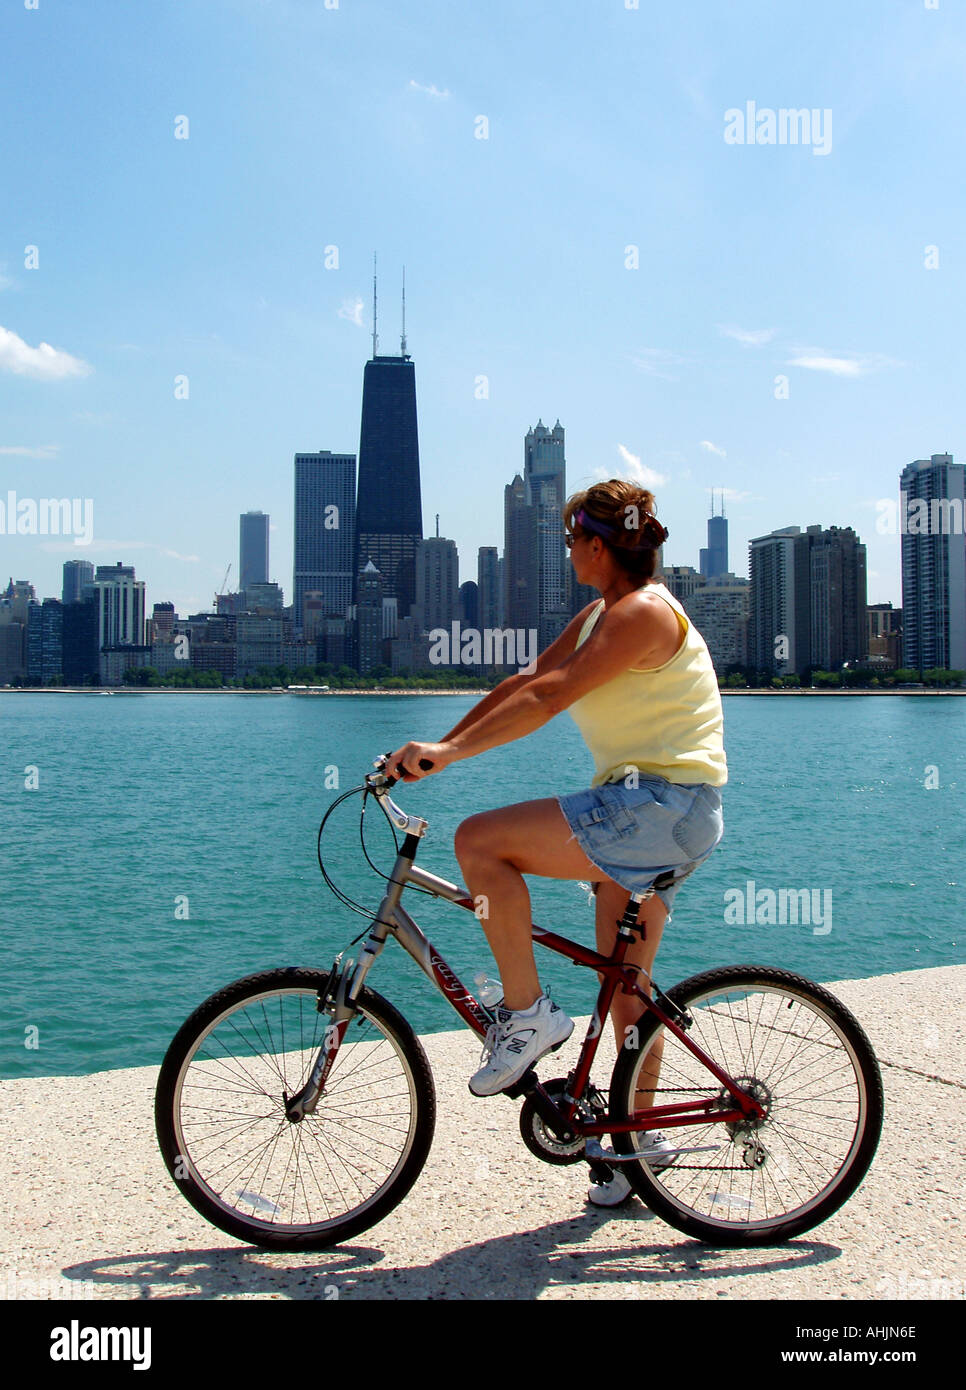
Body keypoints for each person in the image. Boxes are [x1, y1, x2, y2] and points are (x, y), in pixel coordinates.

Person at [384, 478, 726, 1206]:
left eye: (572, 540)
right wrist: (437, 744)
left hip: (657, 806)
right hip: (656, 809)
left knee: (480, 843)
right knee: (624, 989)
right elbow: (527, 677)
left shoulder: (640, 614)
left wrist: (447, 760)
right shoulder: (603, 613)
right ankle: (640, 1140)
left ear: (598, 545)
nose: (567, 550)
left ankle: (528, 1013)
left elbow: (549, 698)